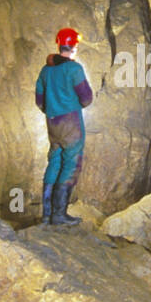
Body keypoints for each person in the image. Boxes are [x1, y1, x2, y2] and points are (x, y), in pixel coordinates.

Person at [35, 27, 93, 226]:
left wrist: (53, 109)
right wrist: (70, 105)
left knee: (54, 161)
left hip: (52, 122)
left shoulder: (46, 70)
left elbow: (39, 100)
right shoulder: (74, 69)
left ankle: (47, 214)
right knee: (70, 164)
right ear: (74, 46)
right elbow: (86, 98)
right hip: (71, 122)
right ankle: (59, 215)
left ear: (59, 44)